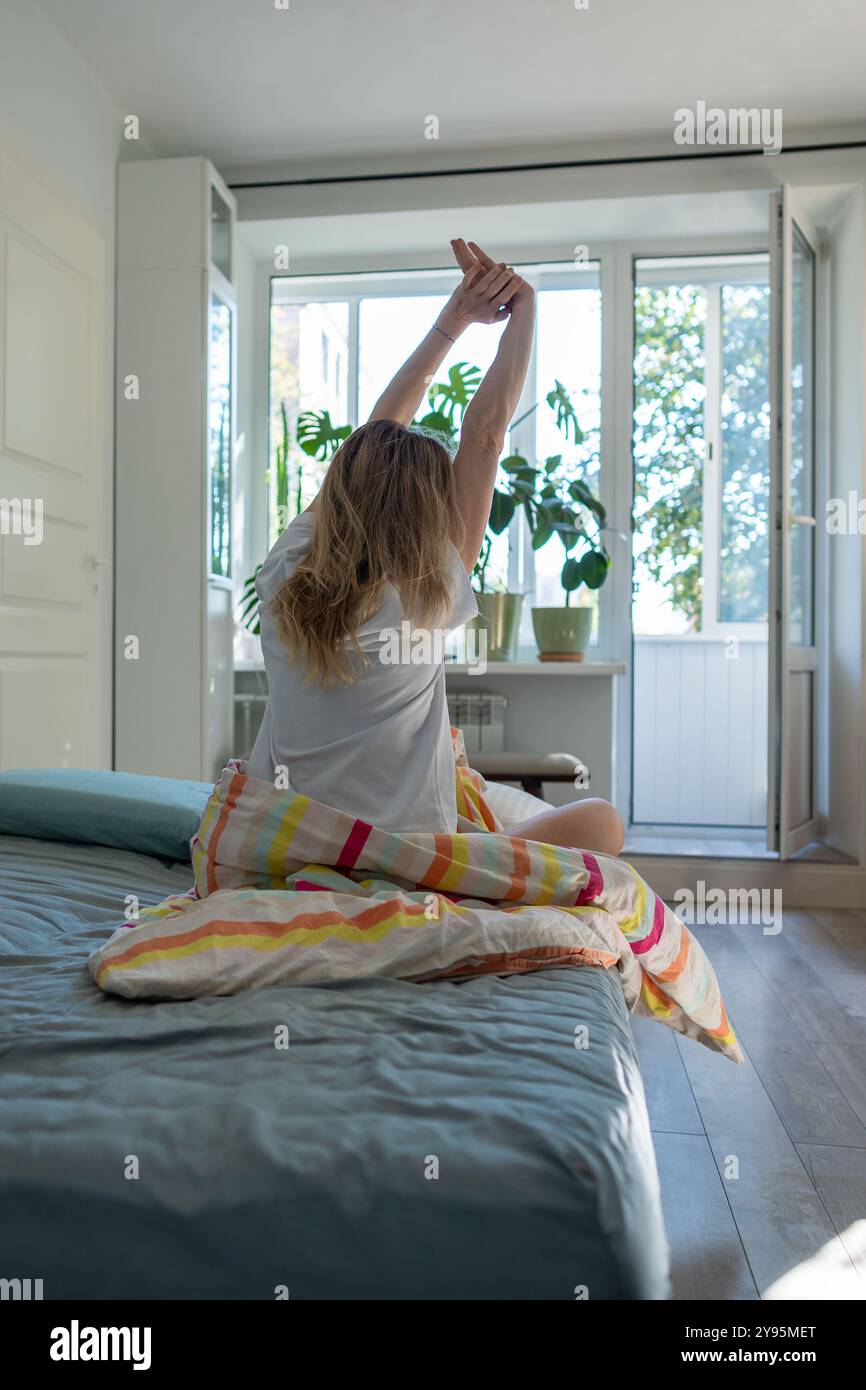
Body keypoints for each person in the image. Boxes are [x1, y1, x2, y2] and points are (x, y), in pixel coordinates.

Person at [247, 238, 624, 856]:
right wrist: (523, 310)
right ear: (432, 516)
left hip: (290, 842)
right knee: (600, 824)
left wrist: (452, 322)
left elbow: (379, 436)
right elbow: (485, 437)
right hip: (406, 854)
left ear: (341, 483)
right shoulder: (430, 593)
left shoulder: (285, 570)